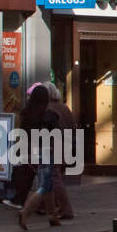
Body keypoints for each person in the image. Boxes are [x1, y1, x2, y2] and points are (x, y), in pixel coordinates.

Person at [16, 85, 62, 230]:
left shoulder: (25, 114)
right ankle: (25, 211)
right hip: (45, 152)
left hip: (29, 152)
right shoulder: (49, 116)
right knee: (44, 186)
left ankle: (52, 216)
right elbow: (57, 134)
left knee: (47, 184)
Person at [45, 84, 76, 221]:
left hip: (54, 146)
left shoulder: (48, 108)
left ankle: (65, 209)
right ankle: (52, 206)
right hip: (66, 145)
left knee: (55, 178)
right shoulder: (64, 107)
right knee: (58, 177)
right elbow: (73, 126)